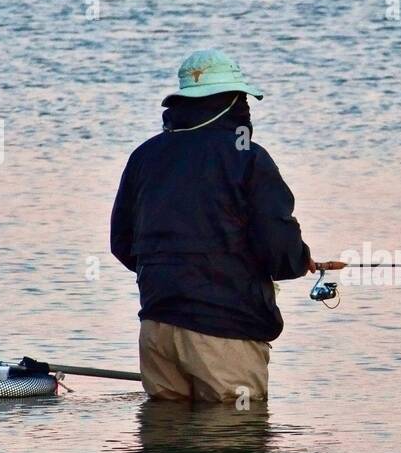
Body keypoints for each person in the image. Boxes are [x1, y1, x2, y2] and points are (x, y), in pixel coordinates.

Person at [111, 49, 323, 402]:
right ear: (231, 102)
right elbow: (278, 248)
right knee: (234, 442)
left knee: (166, 448)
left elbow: (122, 242)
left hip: (157, 327)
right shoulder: (248, 157)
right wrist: (300, 261)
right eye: (243, 100)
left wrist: (175, 272)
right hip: (226, 331)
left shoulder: (145, 155)